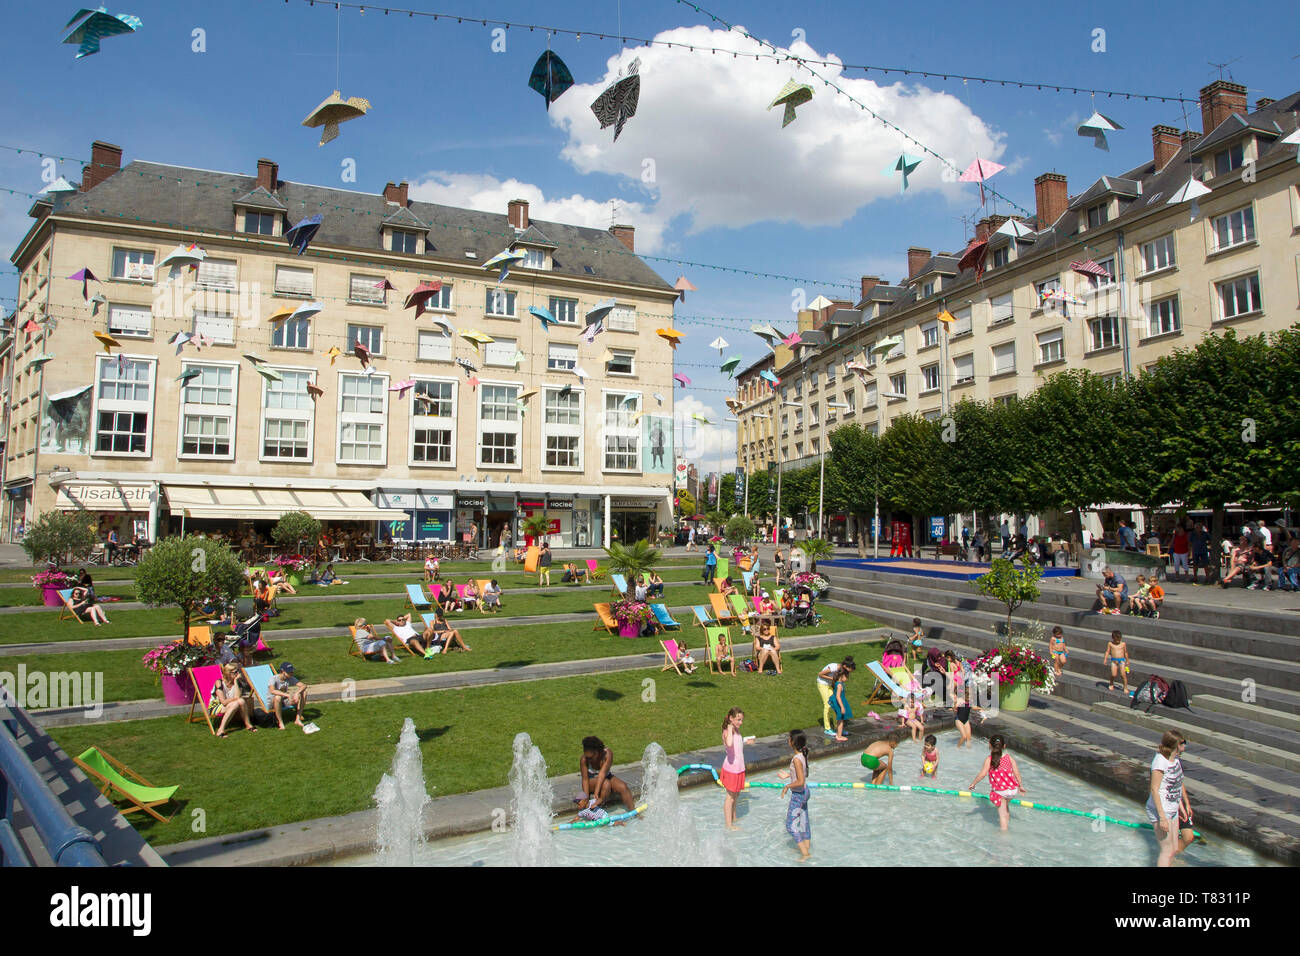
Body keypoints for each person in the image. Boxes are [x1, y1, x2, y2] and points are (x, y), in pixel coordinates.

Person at [1148, 730, 1187, 867]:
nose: (1185, 746)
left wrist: (1181, 807)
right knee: (1167, 851)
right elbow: (1154, 789)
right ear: (1176, 746)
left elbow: (1177, 784)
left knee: (1174, 849)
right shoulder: (1160, 762)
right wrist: (1162, 817)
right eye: (1183, 743)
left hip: (1173, 808)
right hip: (1161, 811)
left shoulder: (1175, 759)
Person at [970, 735, 1024, 831]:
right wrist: (1021, 786)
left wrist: (973, 783)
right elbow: (1017, 773)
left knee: (1002, 814)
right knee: (1005, 808)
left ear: (990, 745)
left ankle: (1003, 837)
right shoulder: (1009, 758)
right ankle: (1006, 827)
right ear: (1004, 746)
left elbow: (982, 774)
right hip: (1012, 790)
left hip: (1000, 791)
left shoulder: (989, 759)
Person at [576, 736, 636, 820]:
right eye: (587, 757)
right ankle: (598, 805)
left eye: (590, 757)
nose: (588, 759)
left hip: (605, 777)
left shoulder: (608, 754)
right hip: (591, 781)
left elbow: (602, 774)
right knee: (606, 783)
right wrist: (586, 798)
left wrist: (596, 792)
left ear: (597, 752)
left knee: (623, 787)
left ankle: (633, 813)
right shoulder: (584, 760)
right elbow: (585, 780)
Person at [777, 730, 811, 860]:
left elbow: (800, 781)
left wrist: (787, 786)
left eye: (789, 738)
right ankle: (806, 847)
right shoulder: (802, 755)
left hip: (798, 795)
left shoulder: (796, 759)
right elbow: (803, 774)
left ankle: (805, 854)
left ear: (792, 742)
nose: (788, 740)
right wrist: (789, 775)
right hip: (805, 792)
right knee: (804, 822)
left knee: (790, 825)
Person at [720, 708, 754, 830]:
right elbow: (729, 744)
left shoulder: (736, 730)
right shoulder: (727, 731)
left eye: (741, 720)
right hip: (731, 769)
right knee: (730, 797)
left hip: (739, 768)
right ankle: (729, 825)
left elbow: (736, 743)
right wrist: (729, 729)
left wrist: (745, 740)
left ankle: (733, 817)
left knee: (736, 795)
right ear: (731, 718)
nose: (741, 722)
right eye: (738, 720)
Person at [209, 662, 258, 737]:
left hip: (230, 704)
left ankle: (248, 724)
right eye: (235, 672)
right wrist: (235, 699)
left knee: (241, 701)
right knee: (236, 703)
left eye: (238, 671)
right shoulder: (219, 682)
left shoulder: (237, 682)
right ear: (228, 673)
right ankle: (220, 730)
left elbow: (237, 697)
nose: (238, 674)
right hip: (217, 706)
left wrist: (235, 681)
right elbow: (223, 702)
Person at [819, 658, 854, 740]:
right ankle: (828, 729)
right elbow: (820, 674)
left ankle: (838, 729)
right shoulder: (834, 668)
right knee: (827, 705)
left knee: (835, 709)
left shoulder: (840, 681)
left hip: (833, 684)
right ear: (845, 667)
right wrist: (834, 680)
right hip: (823, 684)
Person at [266, 661, 307, 730]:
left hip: (284, 701)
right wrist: (287, 695)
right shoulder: (273, 679)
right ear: (283, 671)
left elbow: (303, 685)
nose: (292, 673)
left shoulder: (290, 678)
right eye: (289, 672)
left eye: (292, 671)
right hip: (273, 702)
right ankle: (280, 722)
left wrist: (297, 693)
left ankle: (298, 719)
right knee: (278, 697)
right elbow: (272, 691)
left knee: (304, 692)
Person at [1104, 630, 1131, 695]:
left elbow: (1125, 652)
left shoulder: (1123, 644)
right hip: (1114, 661)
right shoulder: (1110, 644)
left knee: (1123, 674)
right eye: (1116, 640)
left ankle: (1125, 687)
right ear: (1113, 638)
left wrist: (1127, 660)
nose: (1117, 642)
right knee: (1114, 674)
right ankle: (1111, 683)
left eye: (1119, 640)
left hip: (1122, 661)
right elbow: (1107, 651)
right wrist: (1105, 659)